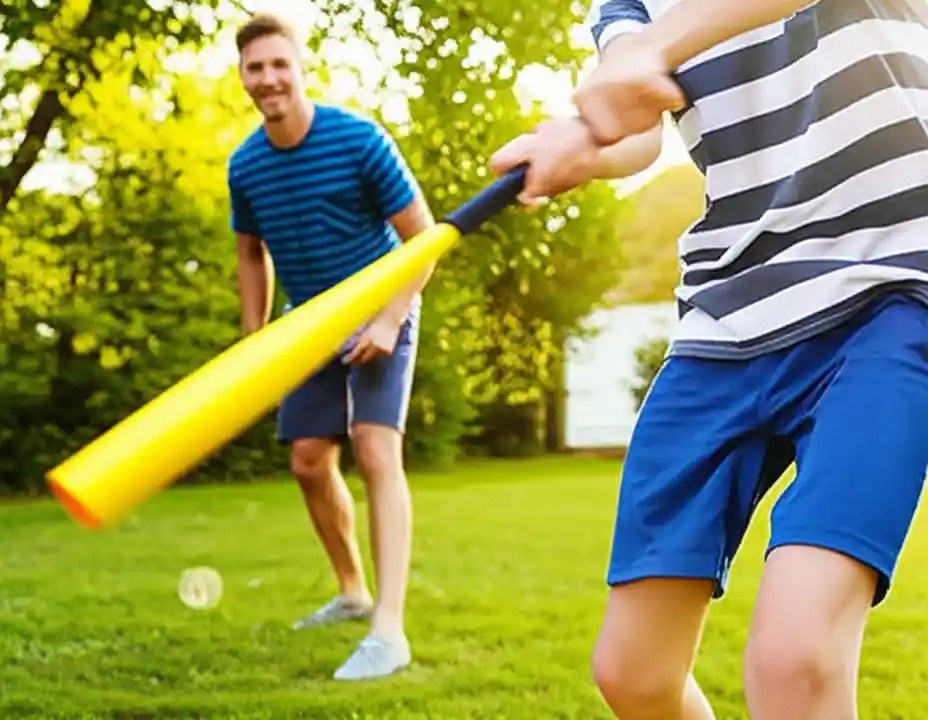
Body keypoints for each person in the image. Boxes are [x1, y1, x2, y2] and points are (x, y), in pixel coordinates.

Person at [489, 0, 928, 717]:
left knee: (797, 662)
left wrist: (655, 47)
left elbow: (647, 59)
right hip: (727, 321)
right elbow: (640, 123)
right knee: (634, 674)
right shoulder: (624, 8)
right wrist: (582, 144)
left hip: (890, 284)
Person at [227, 11, 437, 681]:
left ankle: (389, 631)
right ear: (243, 77)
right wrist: (255, 338)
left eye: (278, 64)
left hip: (383, 305)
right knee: (309, 461)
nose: (268, 79)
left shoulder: (358, 140)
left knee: (376, 449)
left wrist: (387, 321)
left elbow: (424, 239)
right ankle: (352, 592)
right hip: (307, 321)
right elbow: (250, 253)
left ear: (301, 67)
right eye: (255, 68)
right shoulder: (245, 164)